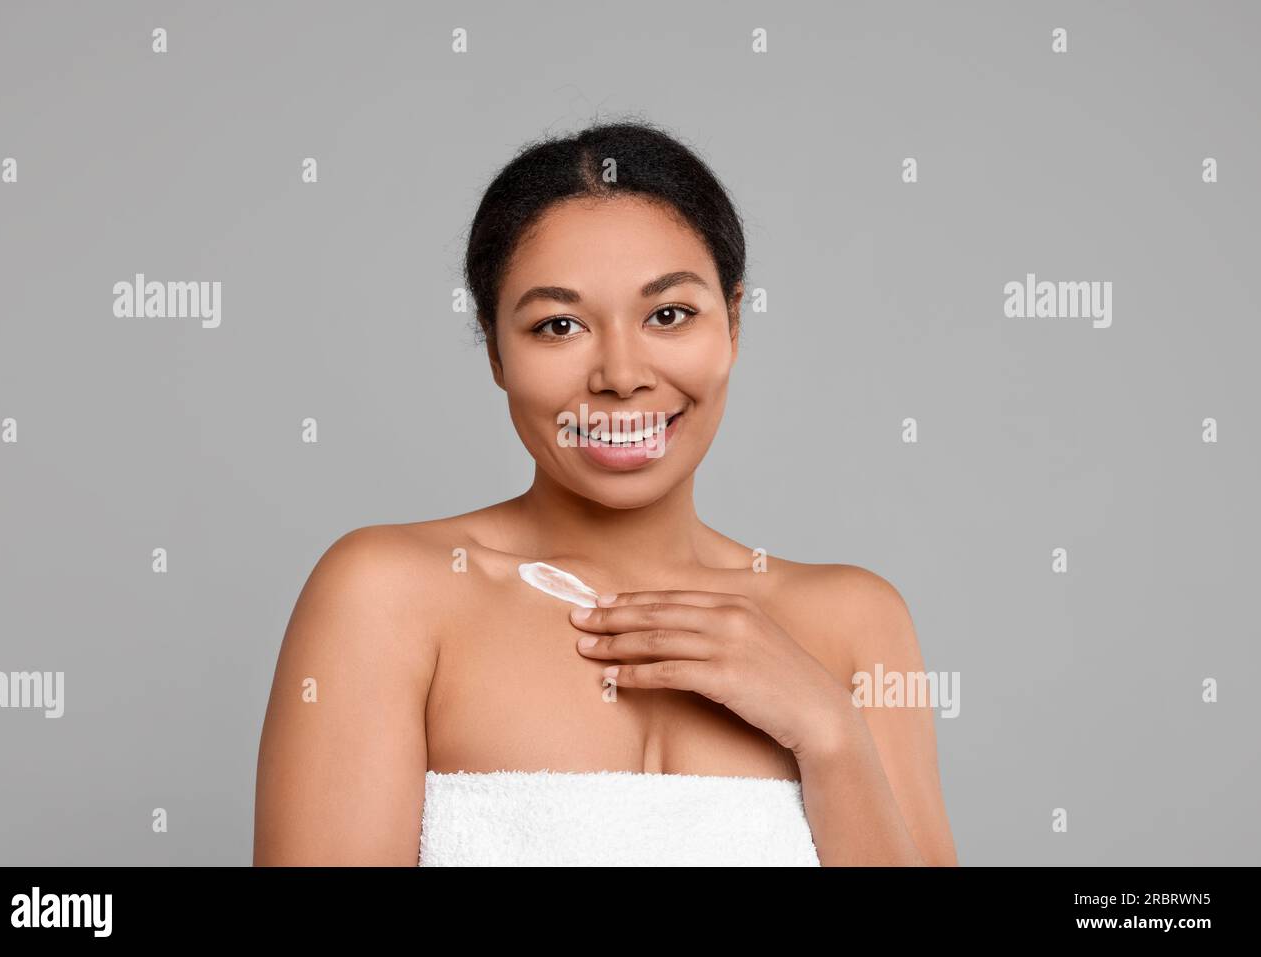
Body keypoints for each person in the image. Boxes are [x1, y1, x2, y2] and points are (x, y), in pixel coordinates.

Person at [253, 119, 959, 866]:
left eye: (669, 314)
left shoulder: (855, 622)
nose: (621, 375)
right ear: (496, 350)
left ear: (736, 324)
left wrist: (830, 732)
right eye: (559, 325)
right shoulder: (385, 594)